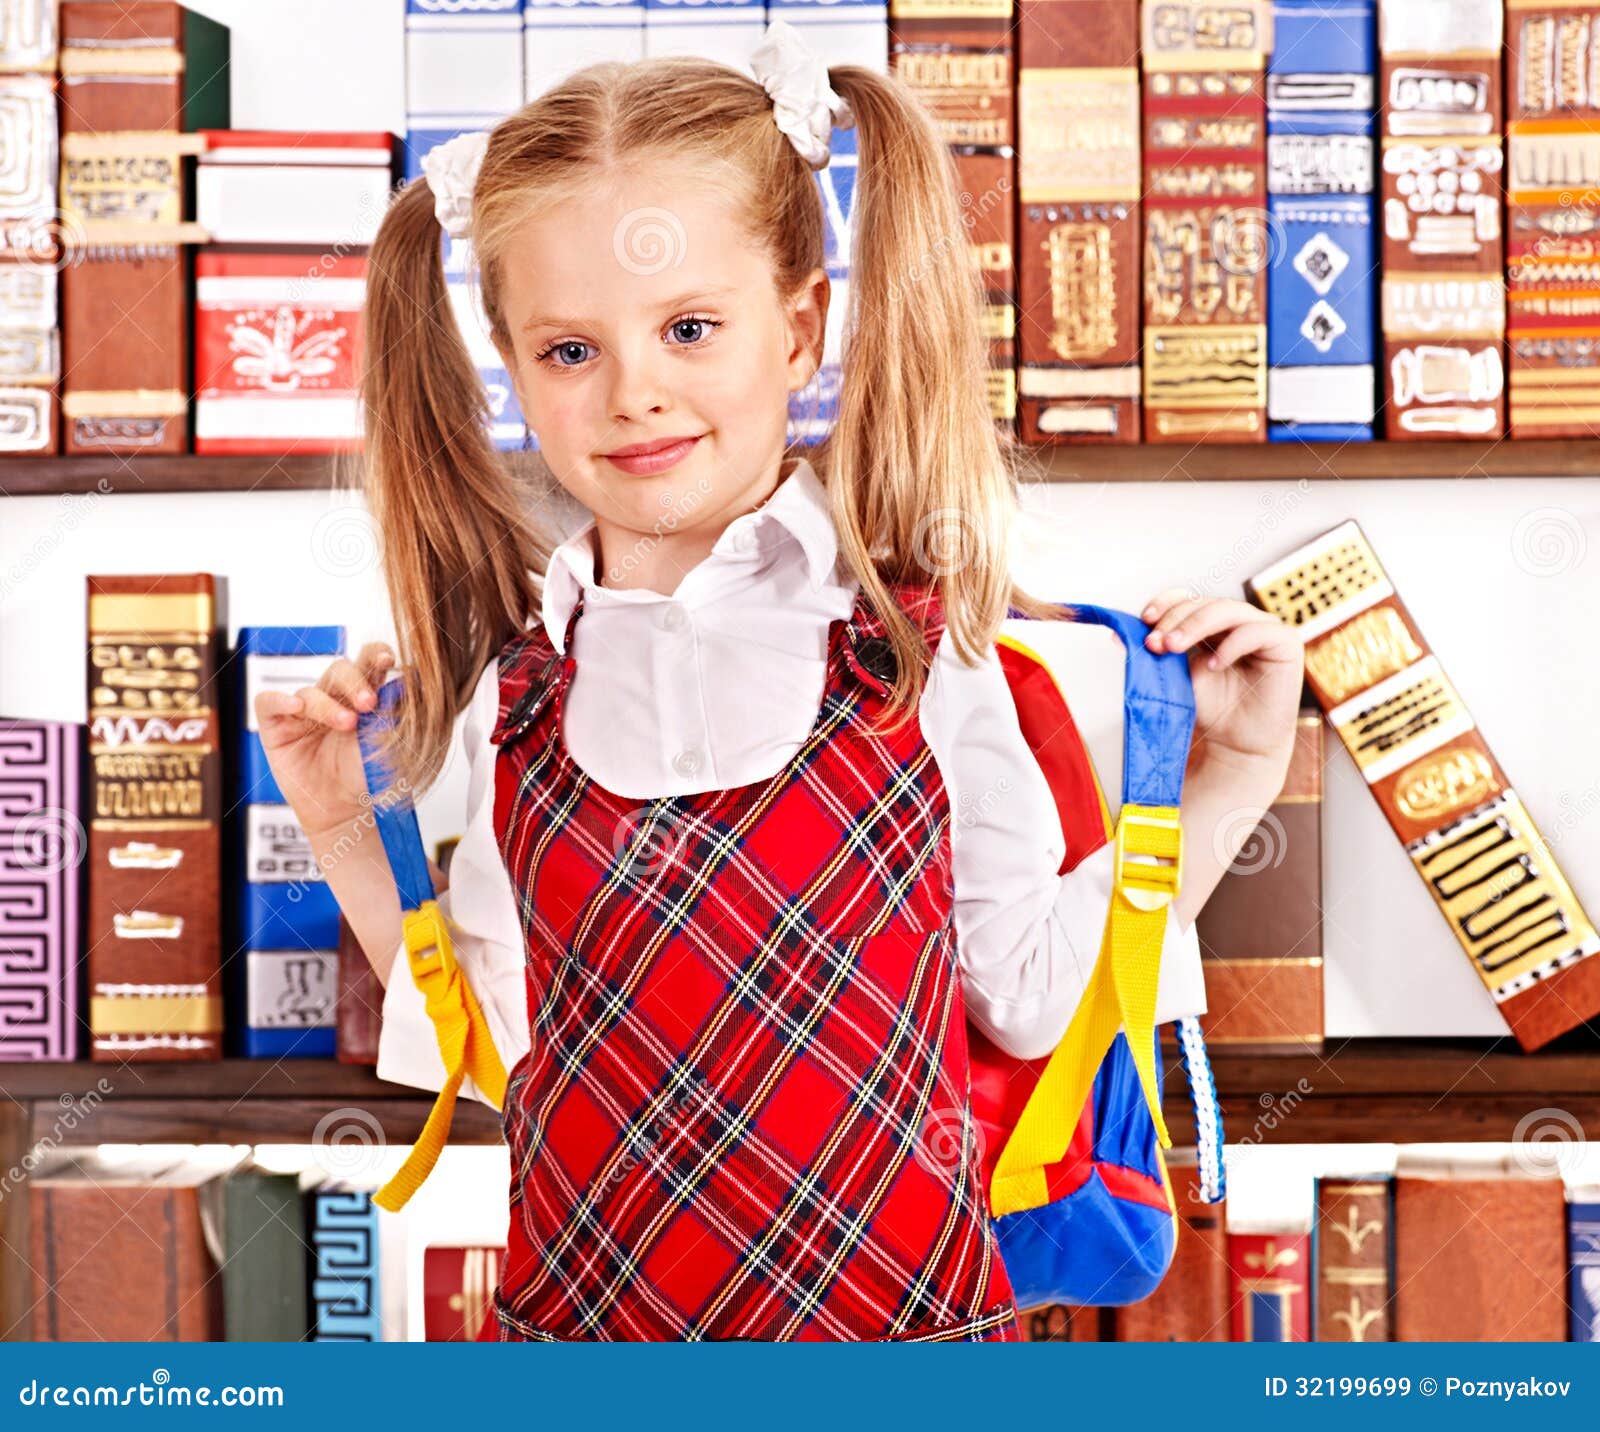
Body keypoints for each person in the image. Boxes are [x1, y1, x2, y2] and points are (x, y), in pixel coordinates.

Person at [255, 21, 1305, 1341]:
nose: (636, 393)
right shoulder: (517, 692)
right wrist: (336, 814)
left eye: (691, 326)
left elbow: (1035, 1001)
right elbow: (497, 1053)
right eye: (570, 351)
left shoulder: (916, 653)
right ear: (512, 372)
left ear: (801, 326)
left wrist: (1233, 777)